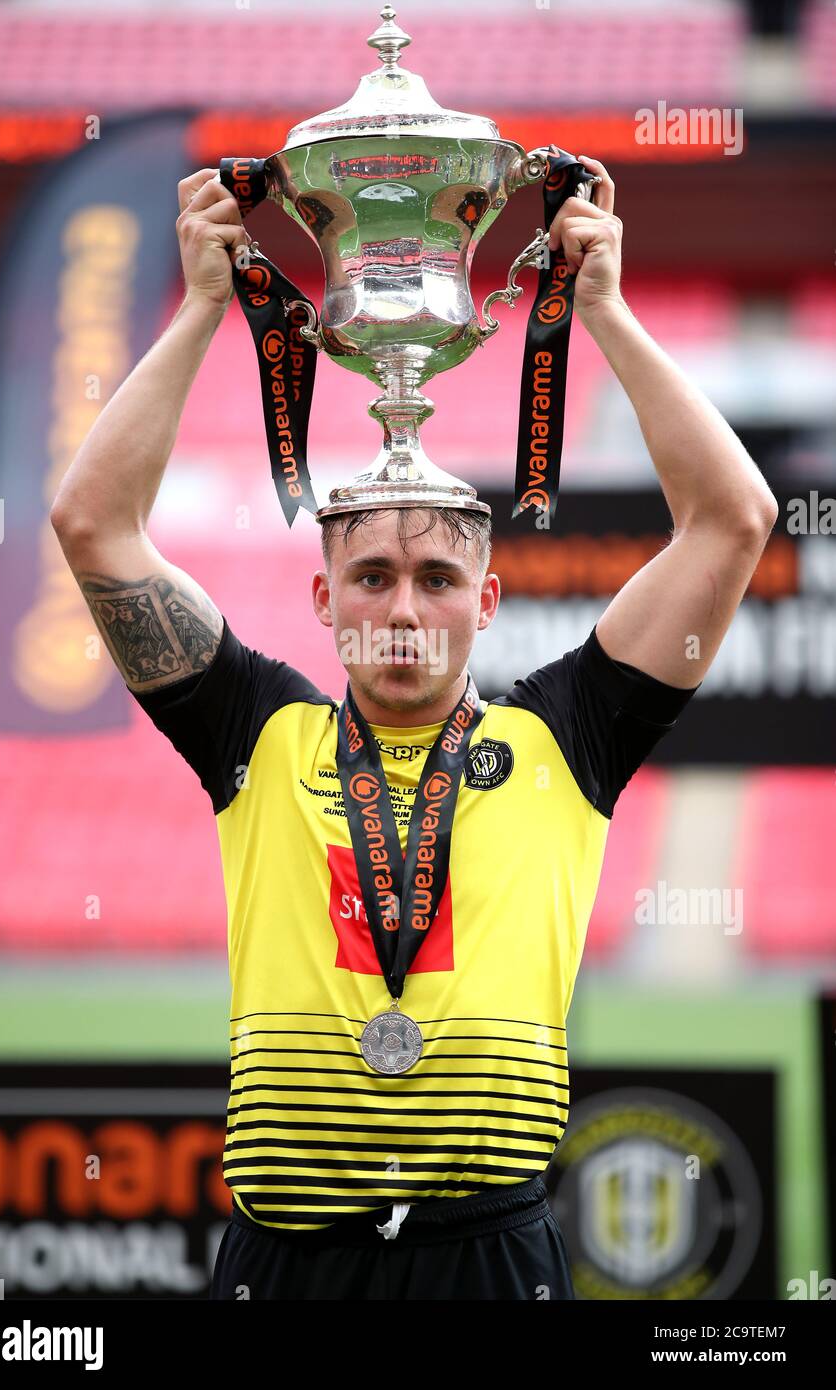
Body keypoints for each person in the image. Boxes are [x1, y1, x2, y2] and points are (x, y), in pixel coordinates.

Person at [50, 160, 778, 1300]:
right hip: (286, 1257)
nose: (400, 609)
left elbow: (733, 519)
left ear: (486, 601)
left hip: (489, 1254)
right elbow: (93, 524)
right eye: (373, 576)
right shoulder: (258, 729)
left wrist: (605, 313)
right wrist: (199, 308)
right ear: (322, 599)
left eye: (437, 578)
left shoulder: (566, 734)